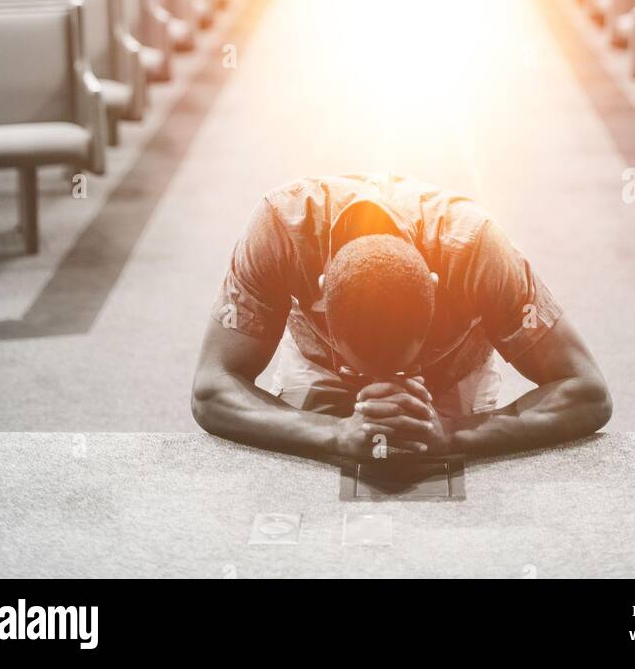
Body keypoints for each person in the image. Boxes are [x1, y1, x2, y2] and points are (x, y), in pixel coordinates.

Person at [192, 173, 611, 461]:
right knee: (307, 478)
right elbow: (212, 389)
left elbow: (587, 391)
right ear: (321, 298)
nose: (380, 386)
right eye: (366, 369)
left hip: (450, 371)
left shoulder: (475, 249)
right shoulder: (281, 227)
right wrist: (333, 434)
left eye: (401, 367)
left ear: (435, 288)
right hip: (320, 365)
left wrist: (451, 434)